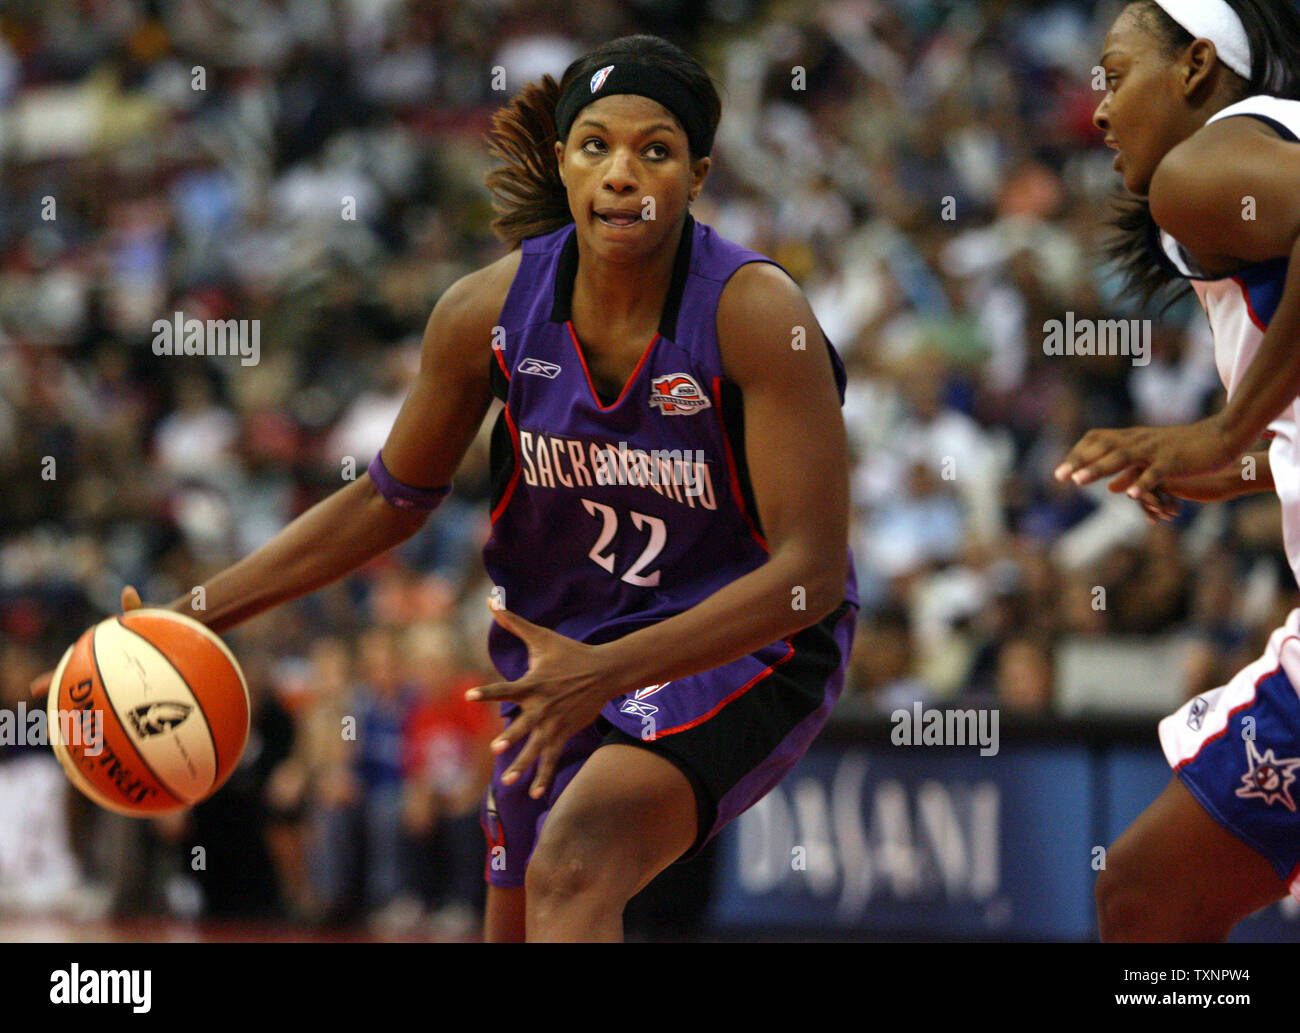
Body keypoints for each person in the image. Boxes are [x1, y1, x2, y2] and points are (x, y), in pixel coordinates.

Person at [32, 33, 859, 943]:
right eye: (596, 146)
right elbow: (389, 496)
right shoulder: (485, 312)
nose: (622, 174)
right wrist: (187, 616)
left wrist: (612, 672)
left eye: (653, 150)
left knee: (576, 861)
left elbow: (809, 576)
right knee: (510, 921)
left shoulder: (753, 312)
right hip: (561, 652)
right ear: (562, 161)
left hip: (743, 644)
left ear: (697, 174)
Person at [1055, 0, 1300, 940]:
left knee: (1147, 897)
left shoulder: (1199, 173)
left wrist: (1228, 432)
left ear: (1197, 66)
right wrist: (1233, 463)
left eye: (1116, 77)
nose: (1102, 111)